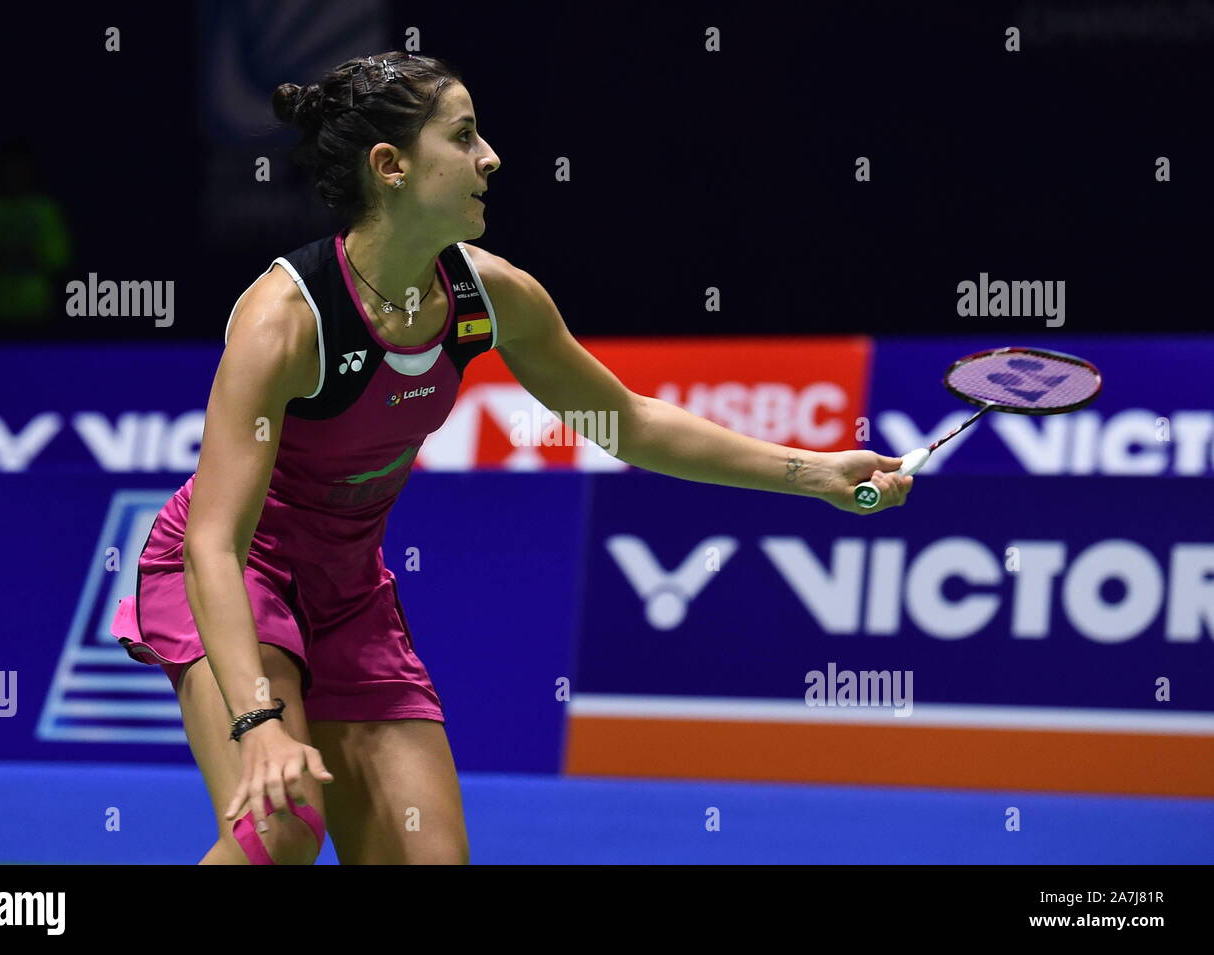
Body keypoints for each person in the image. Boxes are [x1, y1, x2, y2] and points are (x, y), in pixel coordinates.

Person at [109, 51, 913, 866]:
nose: (490, 157)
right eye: (463, 137)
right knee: (279, 831)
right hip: (234, 573)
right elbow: (215, 541)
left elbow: (625, 420)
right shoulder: (285, 320)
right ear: (389, 168)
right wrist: (257, 721)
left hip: (348, 594)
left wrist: (811, 472)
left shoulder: (487, 297)